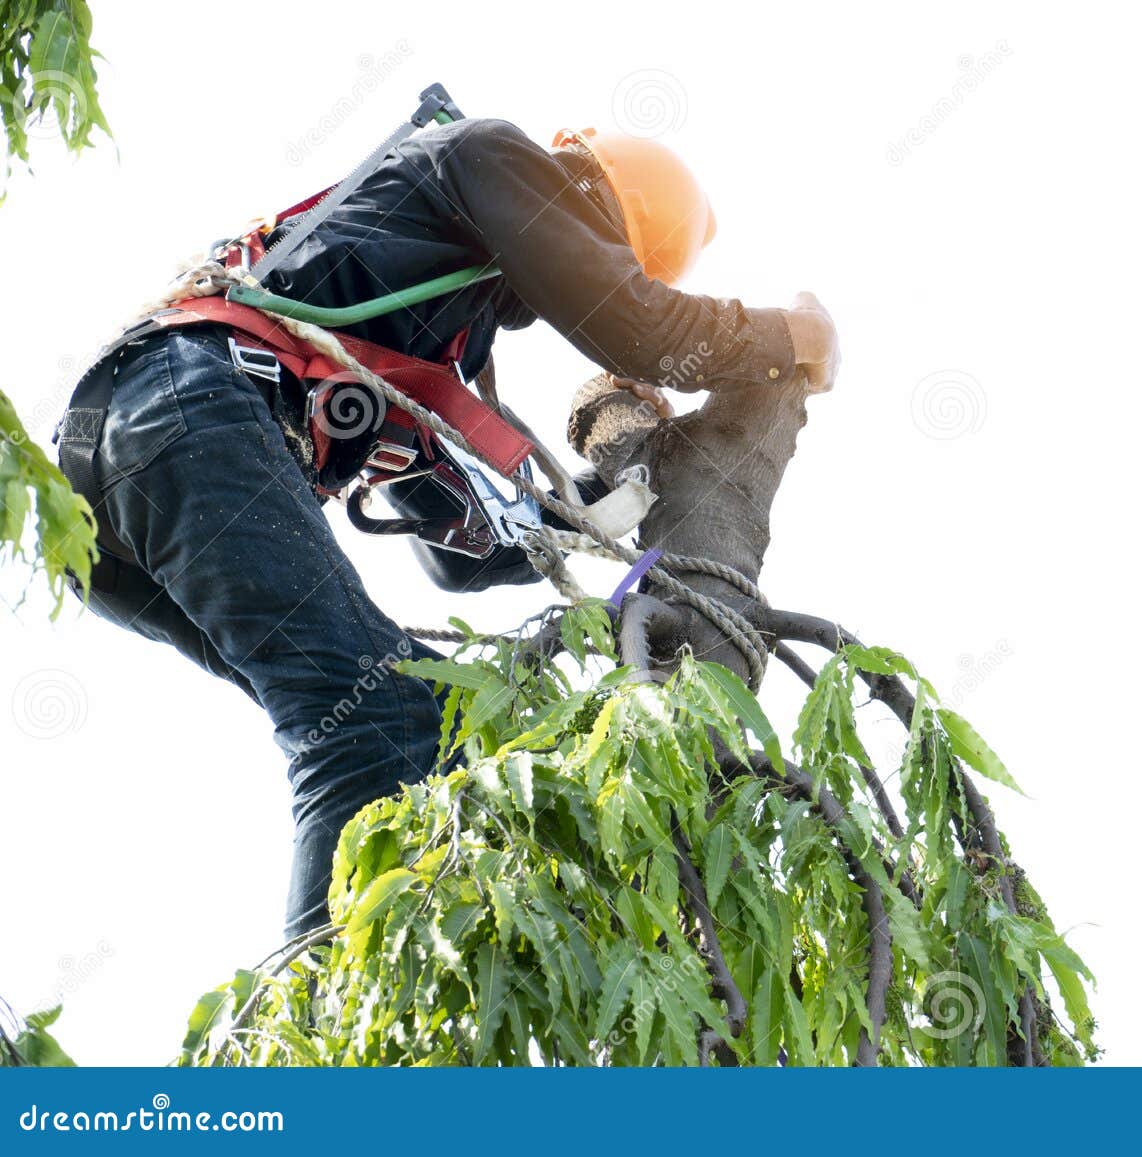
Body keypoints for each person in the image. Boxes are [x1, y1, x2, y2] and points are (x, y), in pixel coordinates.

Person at [58, 115, 840, 938]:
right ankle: (313, 1044)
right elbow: (638, 327)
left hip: (101, 499)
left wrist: (602, 507)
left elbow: (460, 557)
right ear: (585, 198)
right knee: (375, 718)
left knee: (429, 713)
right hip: (180, 406)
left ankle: (374, 991)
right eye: (599, 249)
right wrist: (788, 336)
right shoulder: (489, 155)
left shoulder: (439, 336)